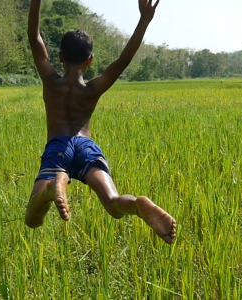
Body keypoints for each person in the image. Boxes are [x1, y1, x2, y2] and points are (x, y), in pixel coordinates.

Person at [24, 0, 176, 244]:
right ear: (90, 60)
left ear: (60, 56)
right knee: (114, 204)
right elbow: (123, 60)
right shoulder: (93, 89)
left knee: (33, 218)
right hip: (86, 147)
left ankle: (53, 188)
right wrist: (144, 20)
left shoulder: (51, 82)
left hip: (58, 148)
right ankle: (137, 205)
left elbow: (34, 37)